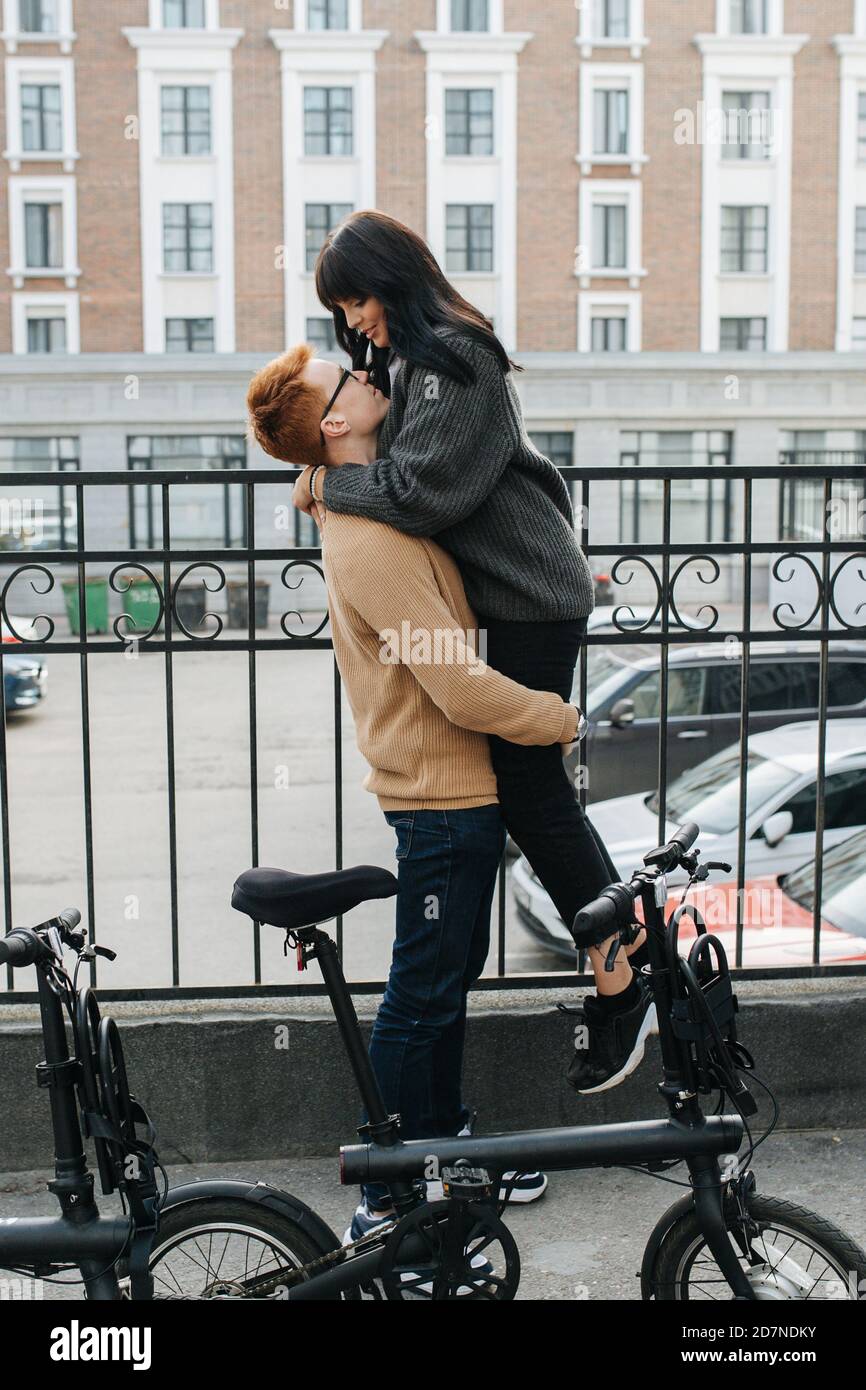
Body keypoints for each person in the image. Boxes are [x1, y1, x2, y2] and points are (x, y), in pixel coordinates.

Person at [290, 210, 655, 1094]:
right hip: (504, 598)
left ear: (398, 279)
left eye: (359, 300)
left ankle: (622, 971)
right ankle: (624, 950)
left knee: (529, 782)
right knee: (527, 782)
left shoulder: (461, 355)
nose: (353, 323)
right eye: (340, 311)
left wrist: (328, 479)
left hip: (532, 592)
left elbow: (421, 491)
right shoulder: (414, 360)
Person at [248, 344, 587, 1236]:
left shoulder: (377, 507)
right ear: (332, 425)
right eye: (348, 380)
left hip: (451, 796)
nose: (369, 378)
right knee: (422, 996)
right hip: (440, 804)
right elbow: (458, 685)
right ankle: (392, 1191)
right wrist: (561, 720)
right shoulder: (373, 544)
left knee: (443, 986)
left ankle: (447, 1151)